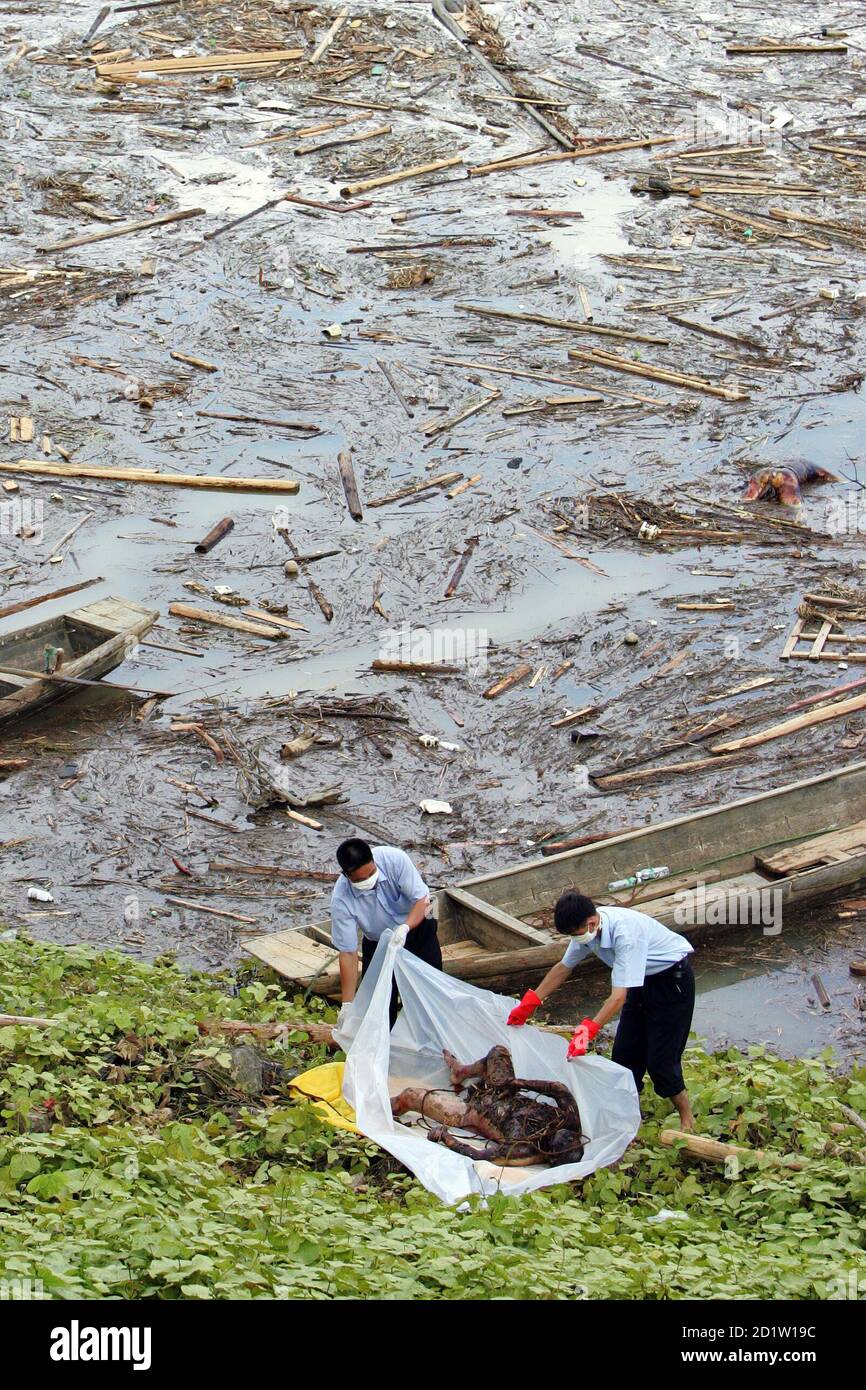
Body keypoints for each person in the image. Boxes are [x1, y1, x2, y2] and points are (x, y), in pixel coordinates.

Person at [508, 892, 696, 1131]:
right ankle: (631, 1118)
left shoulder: (625, 934)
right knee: (624, 1057)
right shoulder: (586, 934)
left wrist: (588, 1031)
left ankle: (687, 1119)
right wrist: (530, 1002)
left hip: (671, 982)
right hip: (639, 983)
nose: (575, 940)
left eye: (576, 934)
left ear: (592, 923)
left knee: (661, 1062)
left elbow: (618, 997)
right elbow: (563, 968)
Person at [391, 1045, 587, 1166]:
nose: (555, 1130)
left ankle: (381, 1110)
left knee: (409, 1096)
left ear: (550, 1154)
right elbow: (559, 1089)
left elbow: (478, 1155)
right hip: (504, 1091)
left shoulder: (524, 1150)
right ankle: (461, 1072)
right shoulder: (569, 1120)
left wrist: (446, 1137)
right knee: (498, 1051)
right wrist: (518, 1083)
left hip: (469, 1113)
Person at [330, 838, 442, 1028]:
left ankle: (434, 1041)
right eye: (359, 880)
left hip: (417, 928)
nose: (367, 881)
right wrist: (347, 1004)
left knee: (430, 991)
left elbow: (422, 901)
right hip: (378, 943)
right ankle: (387, 1049)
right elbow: (348, 953)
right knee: (379, 1005)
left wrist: (405, 927)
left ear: (373, 860)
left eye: (371, 874)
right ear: (347, 876)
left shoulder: (394, 860)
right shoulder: (341, 900)